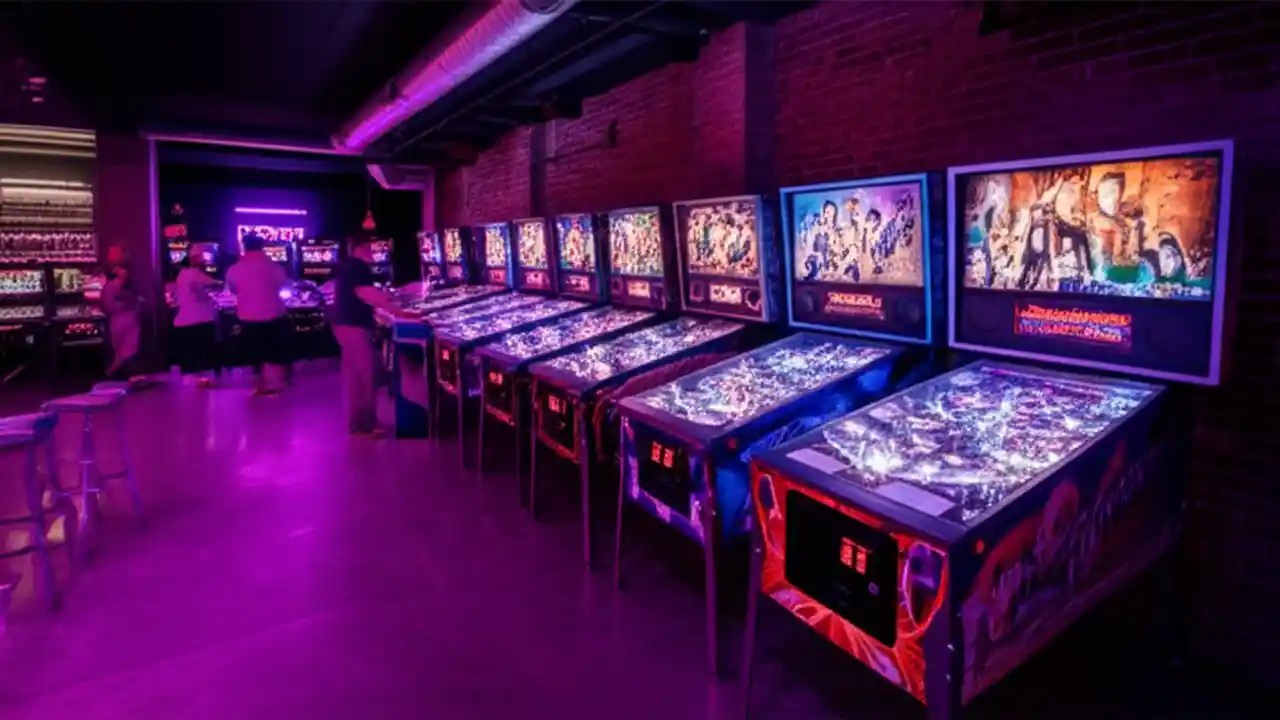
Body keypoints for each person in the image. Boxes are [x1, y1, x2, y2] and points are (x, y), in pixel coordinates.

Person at [333, 234, 408, 437]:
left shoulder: (349, 265)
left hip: (345, 325)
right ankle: (365, 424)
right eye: (369, 247)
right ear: (359, 247)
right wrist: (396, 308)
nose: (372, 251)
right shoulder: (358, 266)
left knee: (356, 376)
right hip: (354, 326)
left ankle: (359, 422)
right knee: (364, 376)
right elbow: (366, 293)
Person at [225, 233, 290, 396]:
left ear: (244, 246)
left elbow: (232, 289)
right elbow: (283, 284)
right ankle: (274, 385)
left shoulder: (235, 269)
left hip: (247, 315)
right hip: (273, 313)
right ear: (262, 246)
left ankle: (258, 384)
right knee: (273, 351)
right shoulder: (273, 267)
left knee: (254, 353)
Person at [171, 252, 220, 387]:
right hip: (199, 320)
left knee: (190, 358)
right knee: (204, 353)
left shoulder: (182, 276)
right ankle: (204, 380)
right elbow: (214, 283)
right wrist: (220, 284)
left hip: (184, 322)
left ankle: (192, 381)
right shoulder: (193, 273)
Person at [101, 263, 143, 379]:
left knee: (125, 351)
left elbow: (107, 307)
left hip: (125, 319)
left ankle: (122, 374)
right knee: (126, 351)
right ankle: (124, 375)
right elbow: (109, 306)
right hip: (124, 319)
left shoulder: (112, 287)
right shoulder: (114, 287)